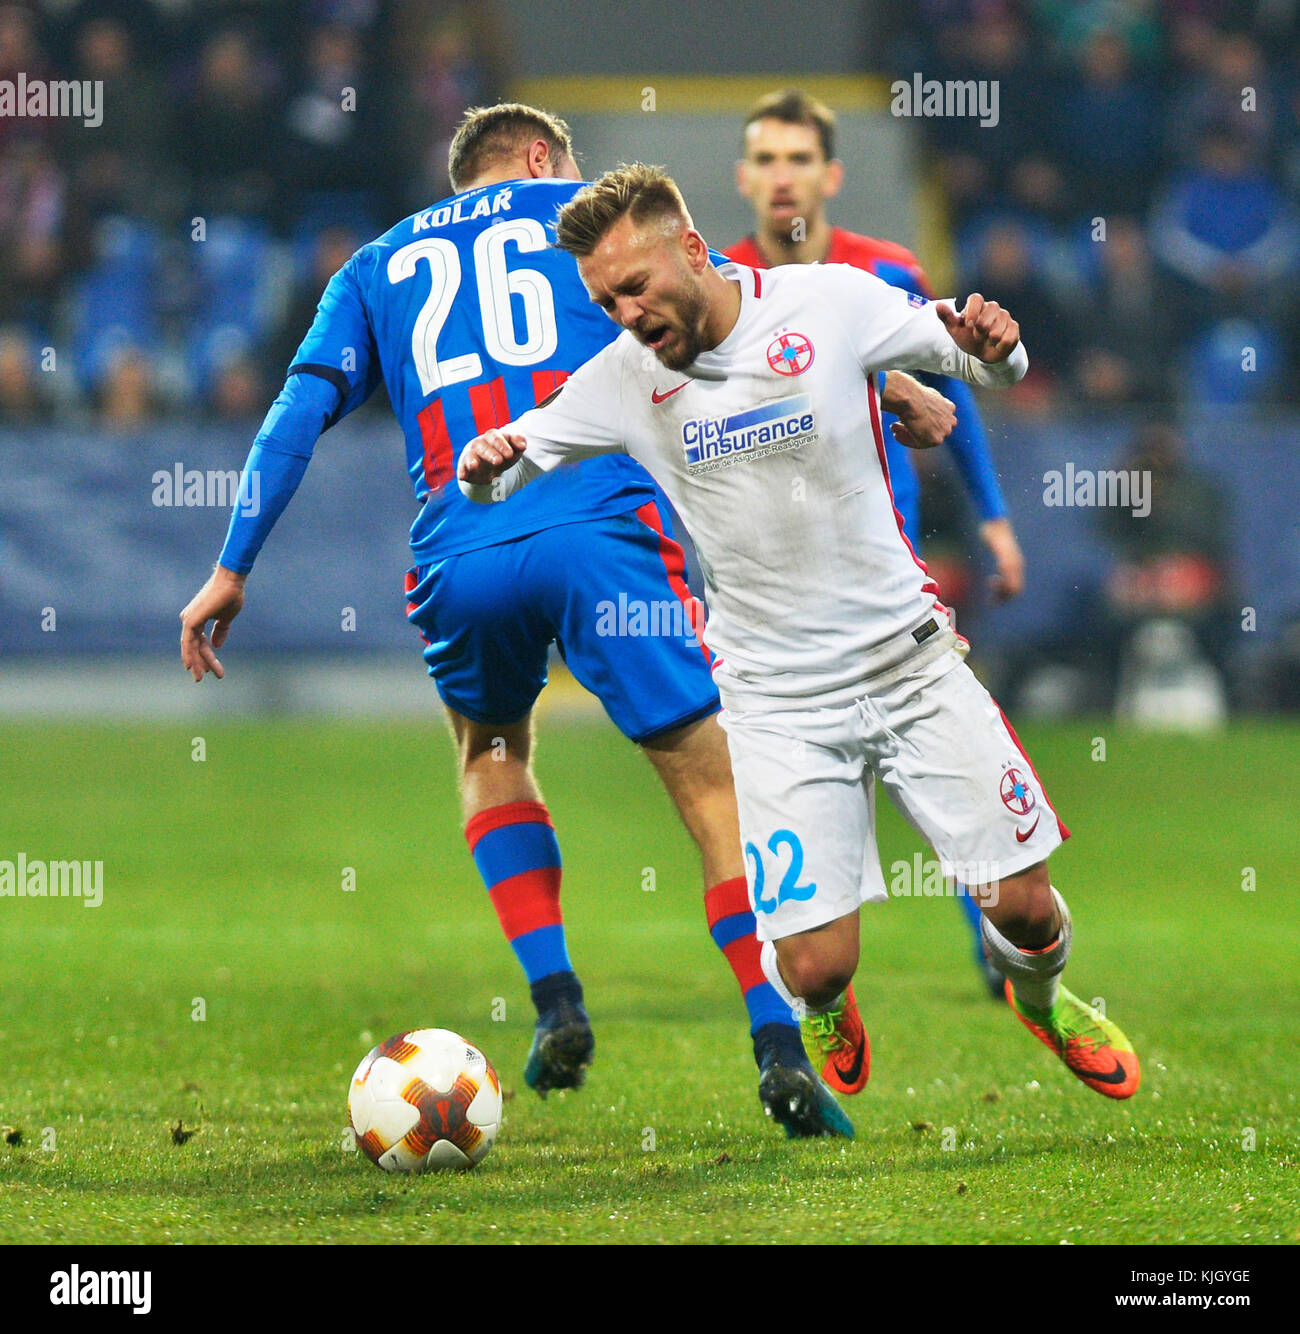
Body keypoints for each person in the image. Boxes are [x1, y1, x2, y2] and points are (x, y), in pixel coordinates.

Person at [178, 103, 953, 1137]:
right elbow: (745, 317)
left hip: (461, 545)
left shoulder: (374, 264)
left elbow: (293, 414)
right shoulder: (594, 225)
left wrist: (231, 568)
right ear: (544, 159)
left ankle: (556, 999)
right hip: (601, 536)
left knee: (491, 748)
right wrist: (891, 378)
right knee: (709, 775)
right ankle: (778, 1046)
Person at [458, 164, 1141, 1102]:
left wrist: (998, 348)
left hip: (909, 663)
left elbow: (978, 361)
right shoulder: (620, 381)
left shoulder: (829, 303)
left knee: (1023, 909)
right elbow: (506, 466)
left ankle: (1043, 999)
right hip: (779, 705)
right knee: (816, 967)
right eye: (605, 299)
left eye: (635, 286)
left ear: (691, 251)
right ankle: (821, 1005)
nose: (623, 313)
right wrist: (482, 463)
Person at [725, 88, 1025, 997]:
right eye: (767, 160)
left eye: (798, 159)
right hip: (767, 582)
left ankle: (998, 941)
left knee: (945, 757)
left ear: (830, 175)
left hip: (882, 563)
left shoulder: (884, 269)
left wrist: (994, 516)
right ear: (744, 177)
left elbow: (958, 382)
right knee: (810, 778)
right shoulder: (719, 286)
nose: (783, 177)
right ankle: (823, 968)